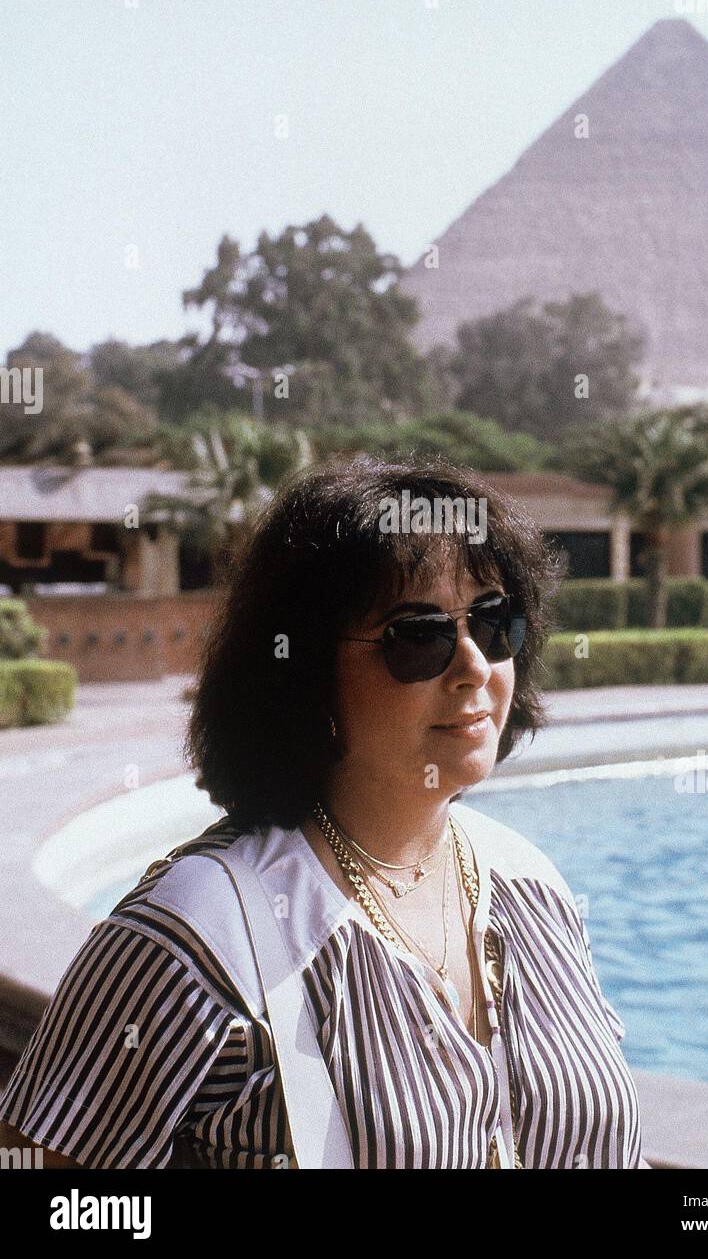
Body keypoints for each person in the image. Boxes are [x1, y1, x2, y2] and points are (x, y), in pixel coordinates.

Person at [0, 455, 649, 1169]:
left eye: (495, 623)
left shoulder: (533, 891)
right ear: (304, 671)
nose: (474, 666)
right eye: (419, 636)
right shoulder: (194, 942)